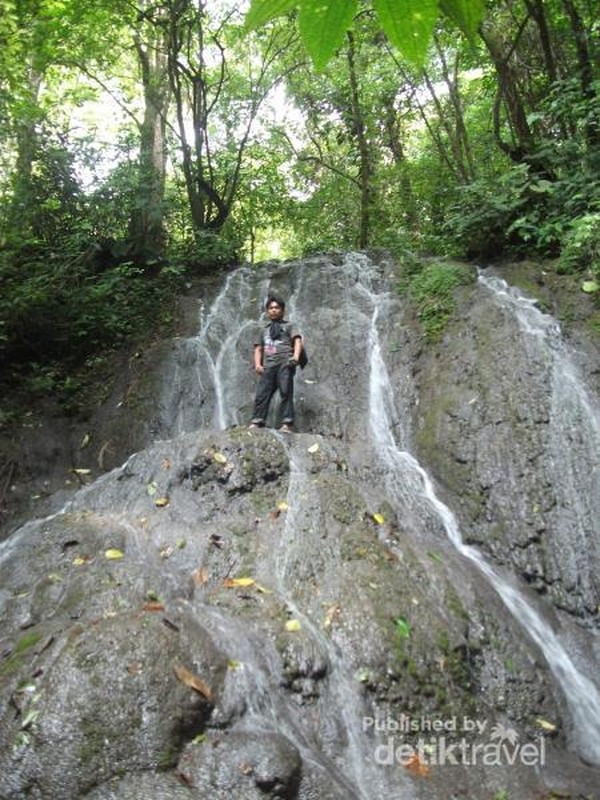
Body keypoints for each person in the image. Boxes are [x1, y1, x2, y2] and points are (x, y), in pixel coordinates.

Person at [249, 295, 303, 433]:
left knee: (286, 392)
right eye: (271, 308)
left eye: (277, 308)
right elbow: (258, 348)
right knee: (262, 393)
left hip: (285, 363)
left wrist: (296, 357)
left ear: (282, 310)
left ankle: (287, 423)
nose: (274, 310)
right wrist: (257, 364)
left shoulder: (289, 326)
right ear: (267, 311)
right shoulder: (263, 329)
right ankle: (258, 420)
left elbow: (297, 341)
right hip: (269, 365)